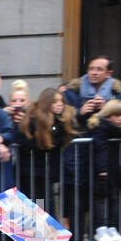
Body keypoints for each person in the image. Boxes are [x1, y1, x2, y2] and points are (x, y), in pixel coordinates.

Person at [16, 88, 81, 230]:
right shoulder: (34, 120)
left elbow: (69, 137)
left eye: (61, 101)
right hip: (31, 173)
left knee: (47, 209)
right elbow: (32, 144)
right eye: (55, 101)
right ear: (46, 104)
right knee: (34, 210)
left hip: (48, 172)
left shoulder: (60, 120)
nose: (59, 104)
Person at [87, 99, 121, 241]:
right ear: (108, 116)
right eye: (117, 115)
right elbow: (101, 151)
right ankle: (101, 228)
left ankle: (112, 227)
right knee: (101, 198)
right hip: (102, 170)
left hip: (118, 169)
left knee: (115, 199)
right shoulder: (101, 128)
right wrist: (102, 172)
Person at [64, 56, 121, 120]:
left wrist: (106, 109)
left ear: (108, 73)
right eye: (91, 69)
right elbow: (64, 118)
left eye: (99, 69)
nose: (94, 73)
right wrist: (79, 112)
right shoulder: (73, 90)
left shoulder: (117, 91)